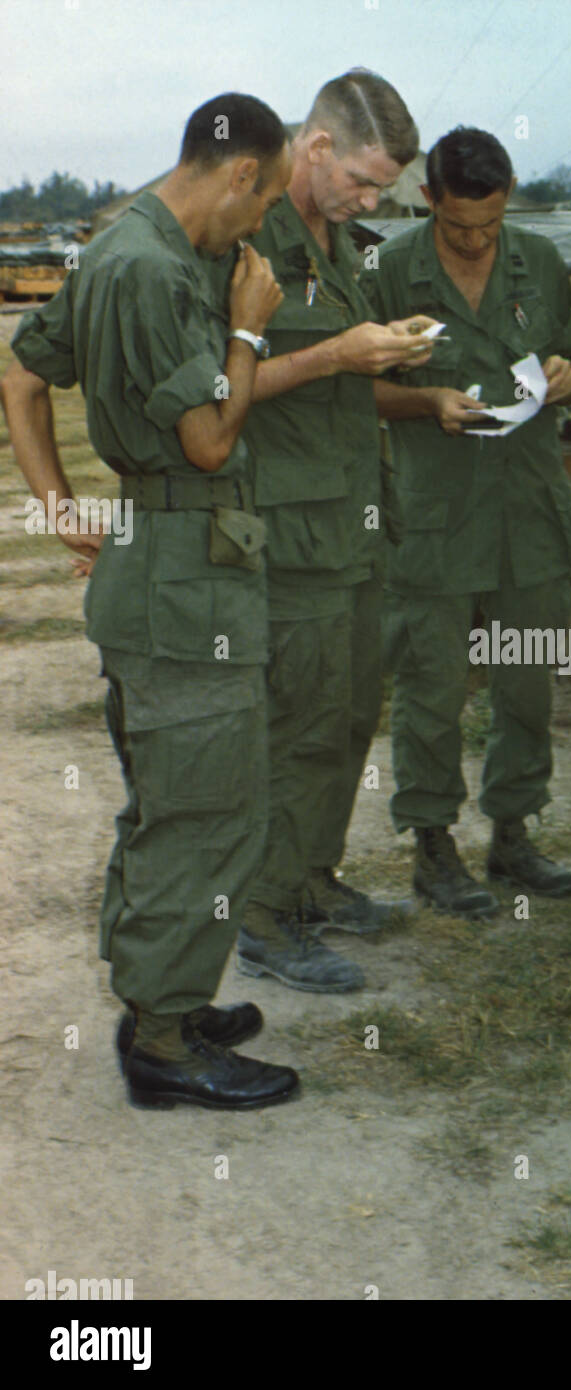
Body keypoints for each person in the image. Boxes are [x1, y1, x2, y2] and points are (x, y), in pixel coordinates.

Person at [2, 94, 298, 1108]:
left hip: (169, 562)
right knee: (205, 813)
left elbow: (21, 372)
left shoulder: (118, 243)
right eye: (262, 208)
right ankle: (165, 1044)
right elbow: (211, 440)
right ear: (240, 174)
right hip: (183, 578)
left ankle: (160, 997)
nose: (257, 233)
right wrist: (249, 333)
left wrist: (58, 507)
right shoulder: (148, 269)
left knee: (174, 802)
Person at [230, 70, 436, 994]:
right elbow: (213, 392)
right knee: (298, 722)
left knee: (349, 712)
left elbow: (337, 375)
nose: (370, 201)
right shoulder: (246, 240)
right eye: (361, 182)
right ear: (314, 148)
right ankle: (265, 917)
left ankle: (313, 878)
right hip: (291, 532)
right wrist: (336, 355)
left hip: (356, 522)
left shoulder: (339, 243)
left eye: (381, 191)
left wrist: (383, 351)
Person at [365, 127, 571, 917]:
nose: (474, 240)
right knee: (431, 690)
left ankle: (514, 834)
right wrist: (424, 401)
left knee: (526, 684)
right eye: (458, 226)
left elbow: (570, 355)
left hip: (527, 513)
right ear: (427, 199)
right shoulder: (389, 270)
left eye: (488, 224)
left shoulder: (540, 261)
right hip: (434, 516)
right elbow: (350, 387)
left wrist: (566, 377)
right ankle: (431, 844)